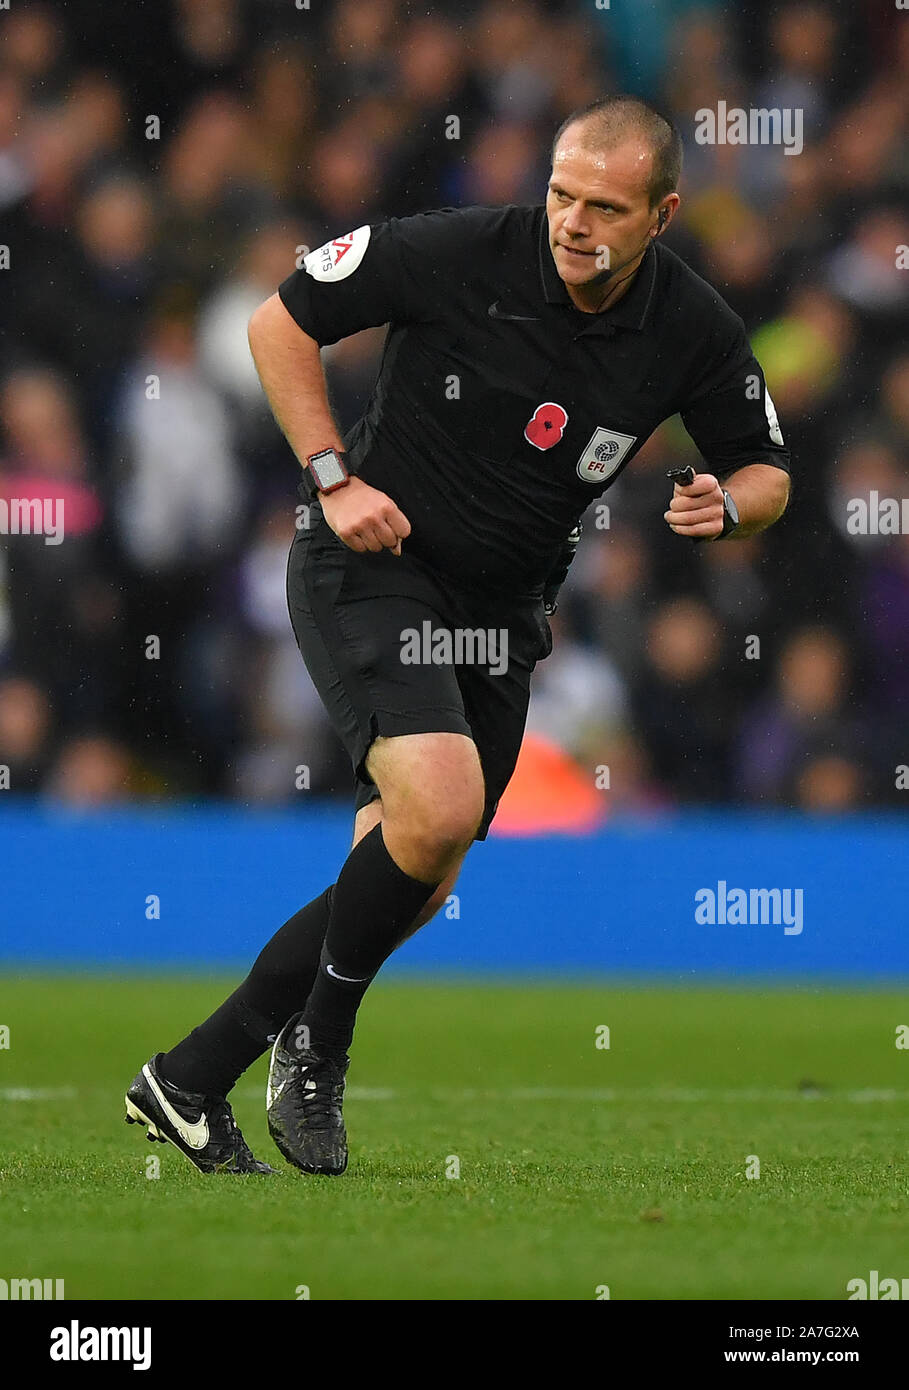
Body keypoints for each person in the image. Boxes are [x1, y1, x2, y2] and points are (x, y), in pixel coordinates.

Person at [124, 96, 791, 1176]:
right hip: (374, 563)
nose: (574, 221)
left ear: (663, 214)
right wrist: (331, 477)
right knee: (438, 810)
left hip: (504, 617)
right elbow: (277, 322)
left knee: (417, 878)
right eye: (563, 194)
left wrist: (733, 502)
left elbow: (767, 469)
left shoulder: (690, 326)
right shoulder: (457, 251)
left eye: (606, 207)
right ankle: (318, 1050)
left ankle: (191, 1077)